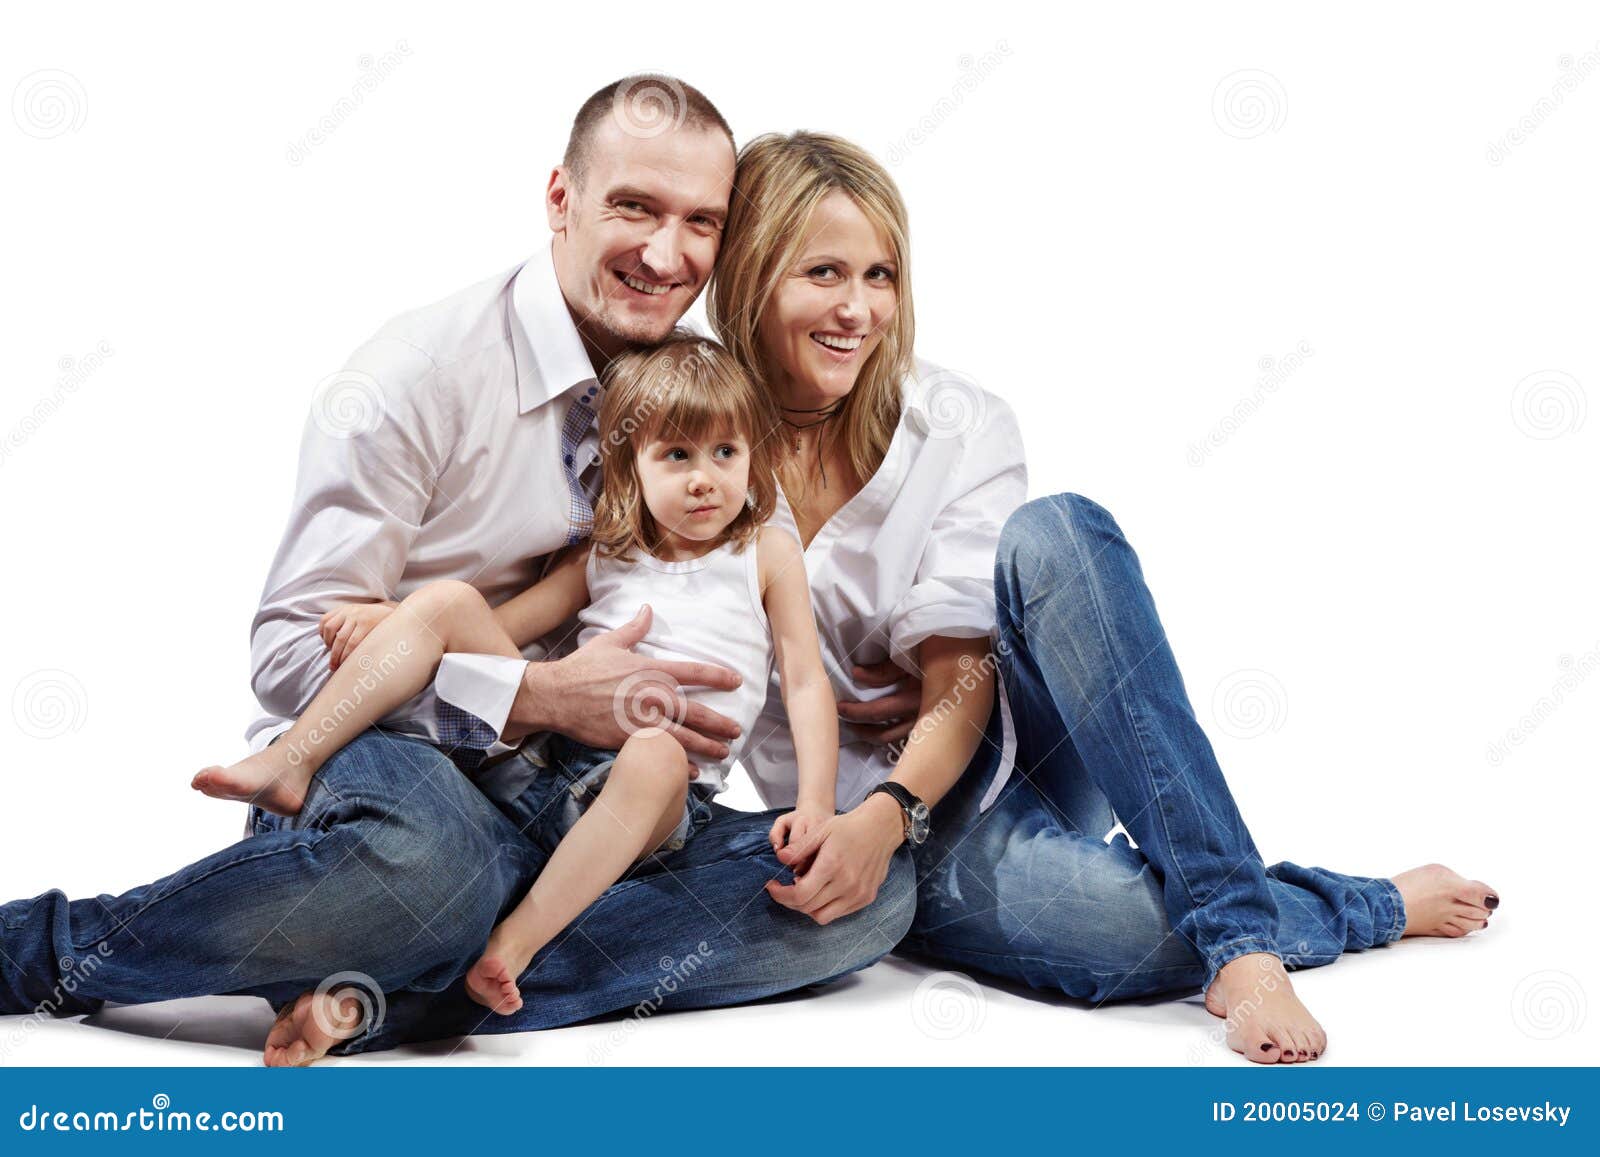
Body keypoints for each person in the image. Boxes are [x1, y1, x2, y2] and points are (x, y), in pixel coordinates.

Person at [355, 130, 1499, 1064]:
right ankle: (1352, 899)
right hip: (904, 831)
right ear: (751, 279)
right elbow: (589, 585)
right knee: (1113, 938)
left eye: (880, 275)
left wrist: (886, 805)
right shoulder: (692, 432)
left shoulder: (959, 423)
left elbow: (963, 673)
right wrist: (416, 629)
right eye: (822, 273)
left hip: (981, 751)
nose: (858, 308)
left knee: (1062, 528)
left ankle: (1243, 944)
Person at [0, 78, 916, 1067]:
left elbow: (777, 629)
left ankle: (386, 991)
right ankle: (39, 950)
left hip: (595, 800)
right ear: (560, 197)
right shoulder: (416, 374)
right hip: (406, 761)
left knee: (862, 896)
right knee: (429, 869)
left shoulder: (696, 393)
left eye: (701, 222)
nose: (666, 254)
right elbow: (287, 653)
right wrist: (537, 693)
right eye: (634, 207)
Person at [189, 336, 838, 1033]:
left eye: (725, 452)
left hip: (657, 805)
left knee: (658, 756)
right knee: (449, 601)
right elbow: (491, 632)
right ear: (631, 466)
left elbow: (805, 681)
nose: (704, 478)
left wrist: (816, 803)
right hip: (550, 767)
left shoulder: (765, 554)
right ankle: (294, 758)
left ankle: (511, 945)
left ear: (752, 457)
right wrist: (399, 618)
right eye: (677, 455)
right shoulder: (605, 555)